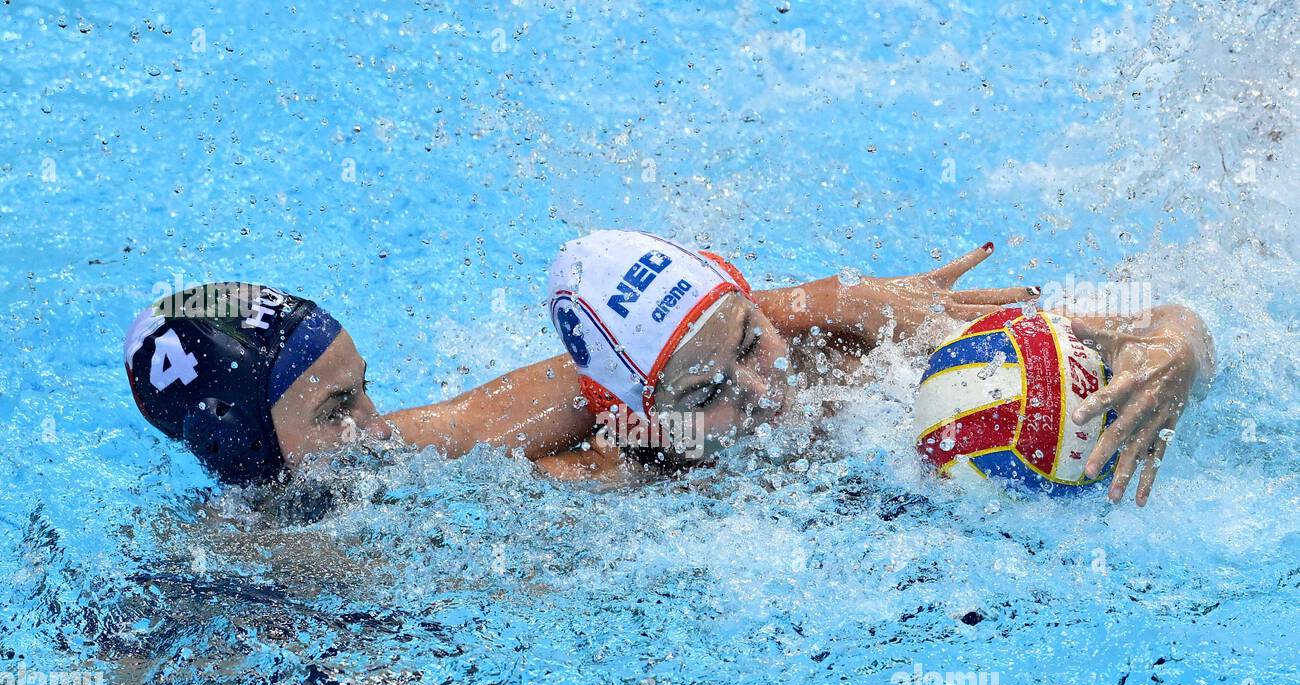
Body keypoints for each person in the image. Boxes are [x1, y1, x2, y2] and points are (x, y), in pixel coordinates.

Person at [123, 244, 1044, 492]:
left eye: (364, 388)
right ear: (247, 445)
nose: (376, 426)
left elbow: (598, 375)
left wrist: (819, 301)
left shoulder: (386, 455)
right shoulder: (227, 579)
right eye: (334, 410)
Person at [533, 230, 1216, 506]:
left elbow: (1166, 324)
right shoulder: (617, 483)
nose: (759, 386)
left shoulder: (871, 351)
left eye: (749, 343)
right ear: (640, 417)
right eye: (704, 391)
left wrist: (1178, 352)